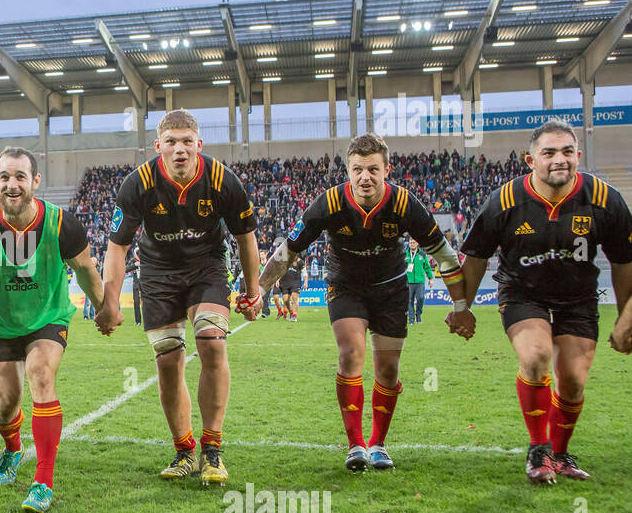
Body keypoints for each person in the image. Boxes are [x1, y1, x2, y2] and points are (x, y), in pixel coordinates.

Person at [259, 133, 472, 473]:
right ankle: (355, 444)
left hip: (391, 289)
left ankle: (378, 444)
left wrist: (462, 307)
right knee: (350, 353)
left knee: (388, 370)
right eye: (357, 169)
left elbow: (444, 255)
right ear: (348, 170)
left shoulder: (404, 204)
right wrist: (260, 290)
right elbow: (287, 251)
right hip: (345, 288)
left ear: (386, 169)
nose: (365, 177)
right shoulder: (329, 203)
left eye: (373, 169)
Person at [454, 120, 632, 484]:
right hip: (523, 293)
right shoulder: (504, 201)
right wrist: (463, 308)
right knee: (535, 357)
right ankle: (539, 450)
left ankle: (561, 454)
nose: (559, 160)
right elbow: (474, 257)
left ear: (578, 156)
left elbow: (624, 261)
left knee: (573, 382)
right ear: (529, 159)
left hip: (578, 299)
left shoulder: (605, 200)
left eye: (567, 151)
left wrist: (626, 317)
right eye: (548, 152)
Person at [0, 147, 114, 513]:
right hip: (0, 324)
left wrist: (103, 308)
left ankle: (43, 482)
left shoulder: (61, 224)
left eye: (20, 176)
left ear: (35, 181)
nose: (12, 184)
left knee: (41, 376)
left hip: (48, 317)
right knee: (4, 407)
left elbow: (85, 271)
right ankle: (12, 447)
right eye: (5, 177)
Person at [99, 109, 263, 486]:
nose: (180, 150)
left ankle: (212, 449)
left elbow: (245, 238)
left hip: (206, 267)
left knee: (211, 342)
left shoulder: (224, 181)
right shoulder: (137, 184)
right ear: (158, 147)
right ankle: (184, 450)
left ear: (199, 145)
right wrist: (110, 301)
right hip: (157, 273)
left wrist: (252, 290)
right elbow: (117, 248)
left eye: (187, 141)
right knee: (169, 361)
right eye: (171, 142)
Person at [405, 237, 434, 324]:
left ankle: (418, 315)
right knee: (409, 300)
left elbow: (427, 267)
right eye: (410, 242)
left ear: (417, 244)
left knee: (420, 298)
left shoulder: (422, 254)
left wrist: (431, 279)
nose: (412, 244)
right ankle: (411, 319)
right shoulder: (404, 254)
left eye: (413, 242)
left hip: (420, 281)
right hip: (408, 282)